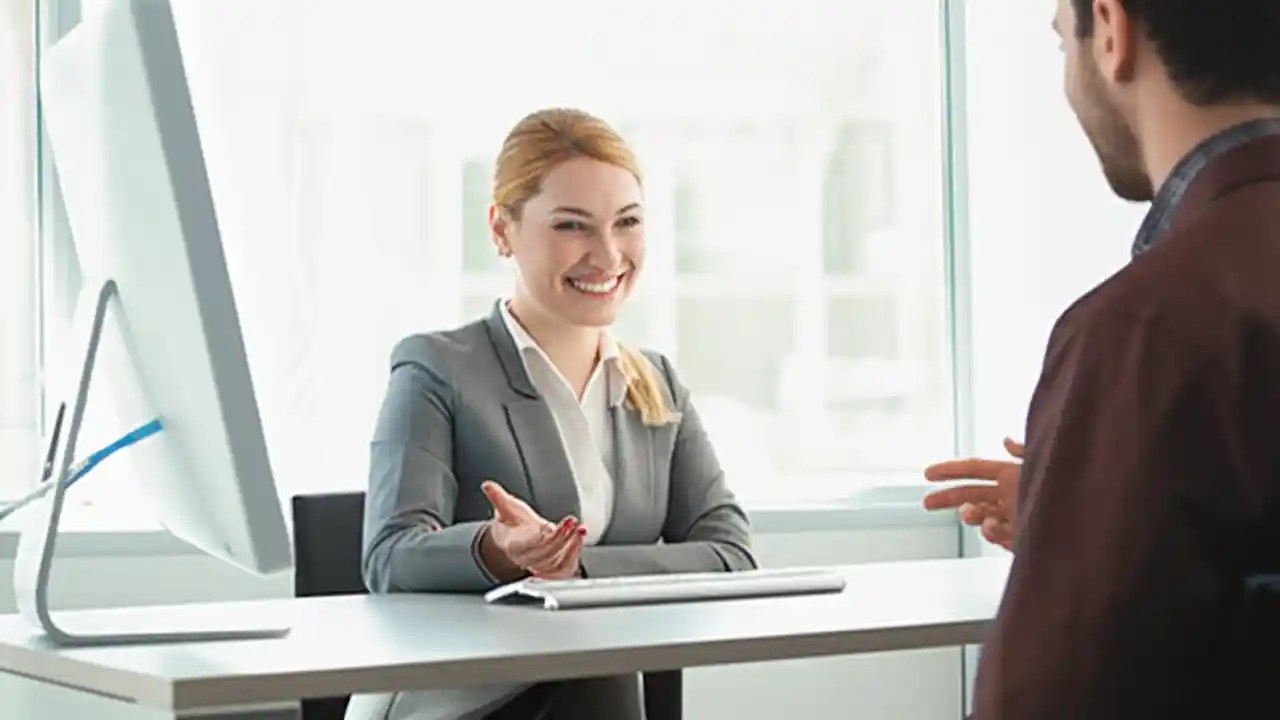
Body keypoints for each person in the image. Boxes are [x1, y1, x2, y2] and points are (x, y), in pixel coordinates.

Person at [923, 0, 1280, 716]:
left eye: (1064, 43)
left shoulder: (1149, 326)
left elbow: (1048, 699)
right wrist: (1105, 516)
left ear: (1111, 31)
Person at [344, 107, 756, 720]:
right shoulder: (436, 367)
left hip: (584, 689)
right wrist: (496, 549)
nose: (607, 254)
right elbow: (391, 555)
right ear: (501, 230)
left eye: (628, 223)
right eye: (572, 226)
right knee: (597, 675)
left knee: (593, 669)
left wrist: (572, 569)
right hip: (454, 703)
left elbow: (729, 553)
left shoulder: (657, 383)